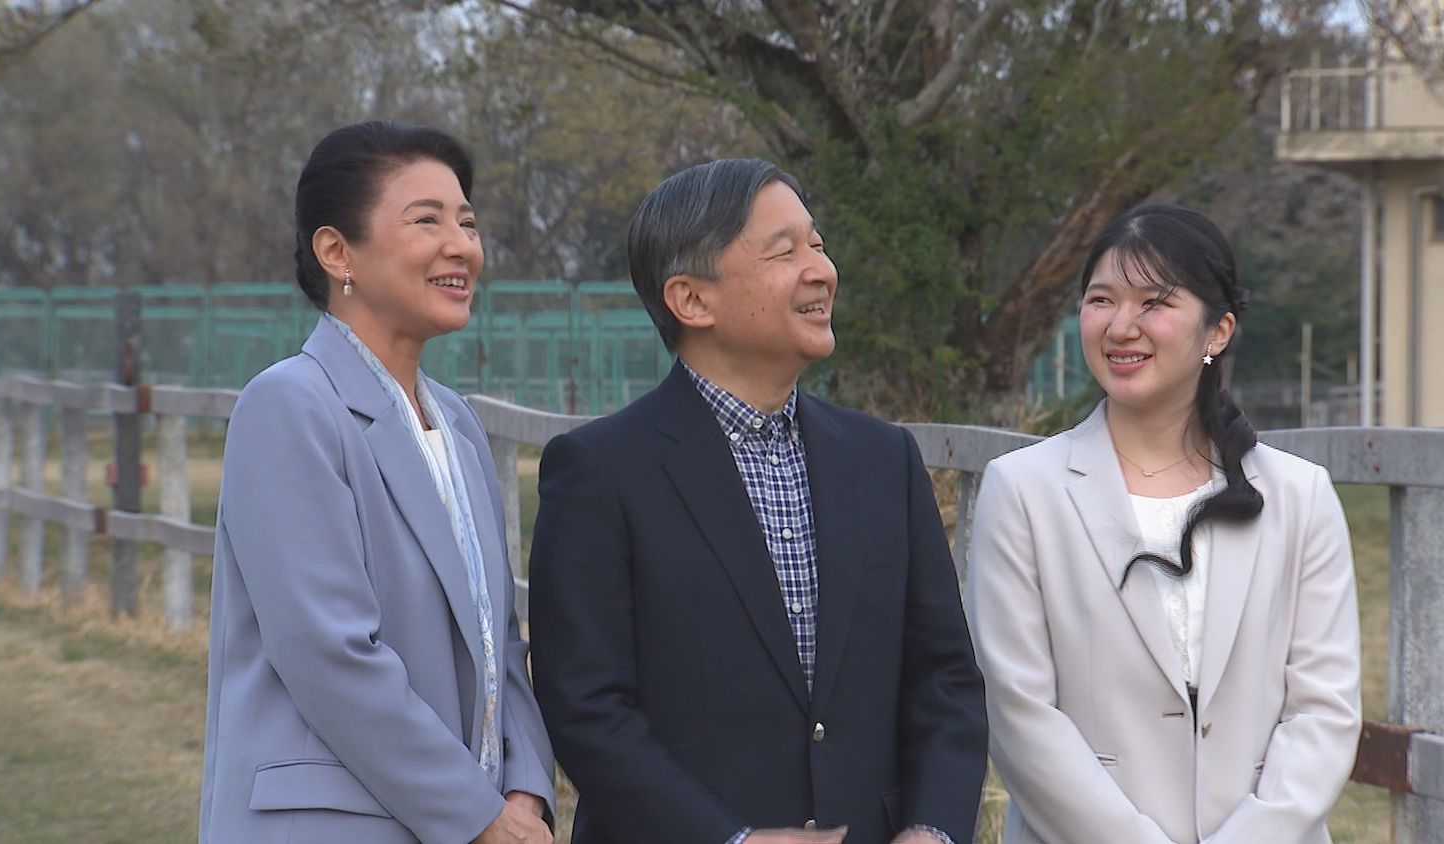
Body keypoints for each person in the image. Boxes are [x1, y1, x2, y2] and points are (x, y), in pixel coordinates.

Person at [528, 158, 988, 844]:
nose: (821, 270)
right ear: (691, 300)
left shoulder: (883, 459)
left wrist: (932, 829)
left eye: (818, 245)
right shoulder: (599, 472)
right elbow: (586, 708)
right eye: (784, 252)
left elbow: (944, 680)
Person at [198, 121, 555, 844]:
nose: (462, 246)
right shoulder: (291, 405)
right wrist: (480, 816)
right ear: (337, 252)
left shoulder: (458, 424)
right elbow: (328, 654)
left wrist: (526, 790)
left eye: (468, 223)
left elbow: (500, 645)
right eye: (427, 221)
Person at [965, 204, 1361, 843]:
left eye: (1154, 302)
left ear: (1217, 331)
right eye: (1101, 300)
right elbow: (1019, 713)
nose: (1121, 326)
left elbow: (1324, 711)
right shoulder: (1023, 491)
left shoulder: (1299, 495)